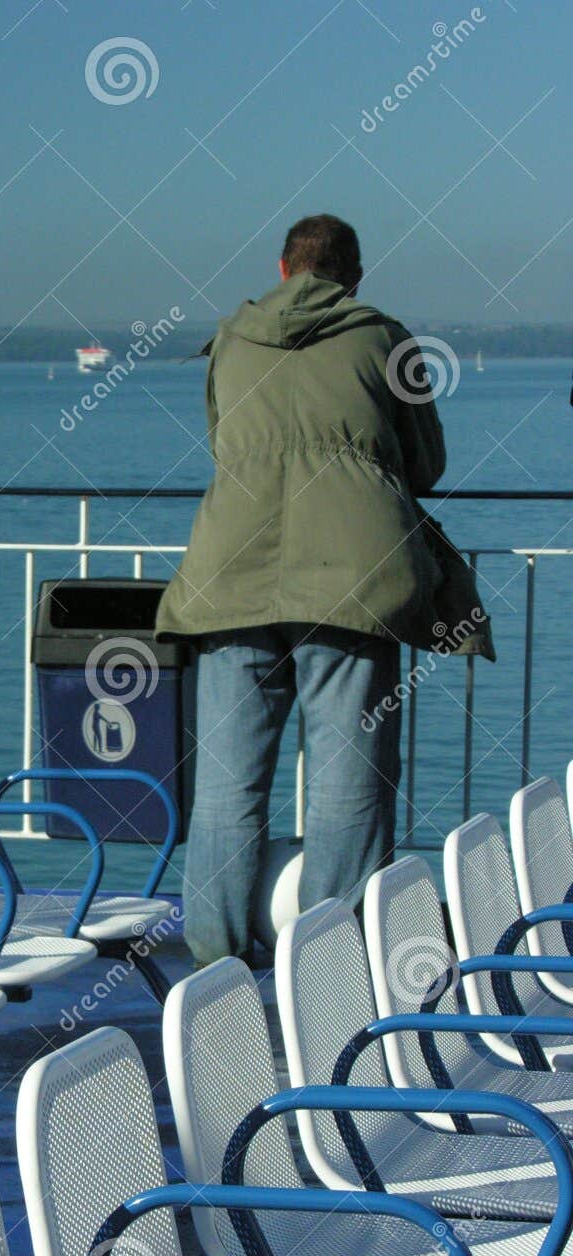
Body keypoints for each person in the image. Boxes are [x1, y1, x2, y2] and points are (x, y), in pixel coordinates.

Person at [157, 213, 490, 965]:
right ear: (355, 277)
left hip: (229, 574)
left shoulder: (231, 338)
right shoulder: (383, 336)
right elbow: (424, 462)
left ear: (281, 271)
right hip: (355, 578)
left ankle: (213, 962)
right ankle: (328, 963)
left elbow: (224, 441)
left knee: (227, 783)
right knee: (349, 782)